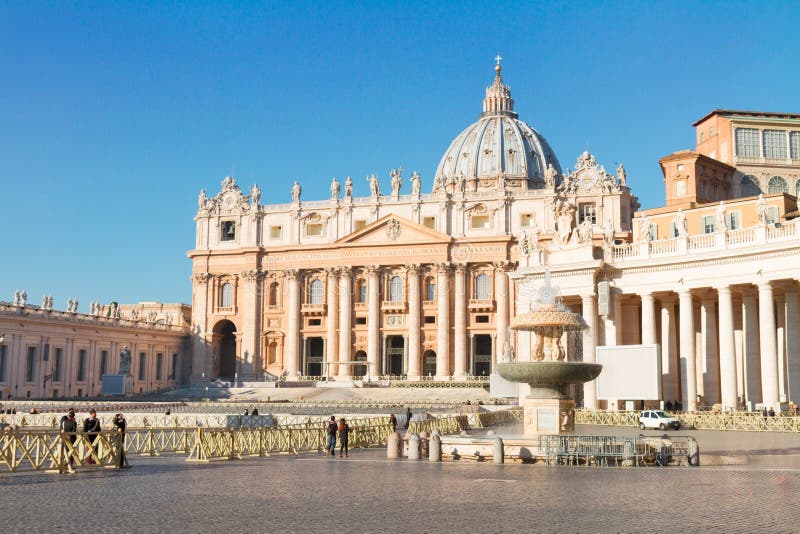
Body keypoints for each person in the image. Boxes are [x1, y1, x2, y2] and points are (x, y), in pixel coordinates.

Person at [60, 409, 78, 473]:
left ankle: (63, 464)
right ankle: (70, 465)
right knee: (72, 452)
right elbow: (74, 431)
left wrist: (66, 435)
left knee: (65, 451)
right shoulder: (74, 422)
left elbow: (62, 429)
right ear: (73, 416)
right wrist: (70, 435)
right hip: (72, 438)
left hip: (65, 438)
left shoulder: (64, 422)